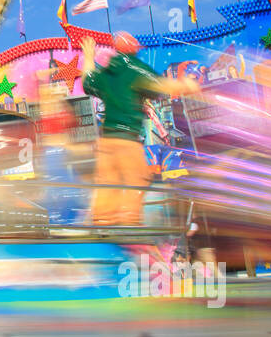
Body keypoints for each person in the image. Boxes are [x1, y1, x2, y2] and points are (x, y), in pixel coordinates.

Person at [80, 32, 197, 226]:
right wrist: (186, 84)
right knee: (138, 179)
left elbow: (88, 81)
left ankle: (102, 224)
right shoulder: (135, 68)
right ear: (133, 49)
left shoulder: (108, 73)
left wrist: (89, 57)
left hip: (107, 141)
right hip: (127, 140)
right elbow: (162, 86)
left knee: (108, 183)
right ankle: (129, 224)